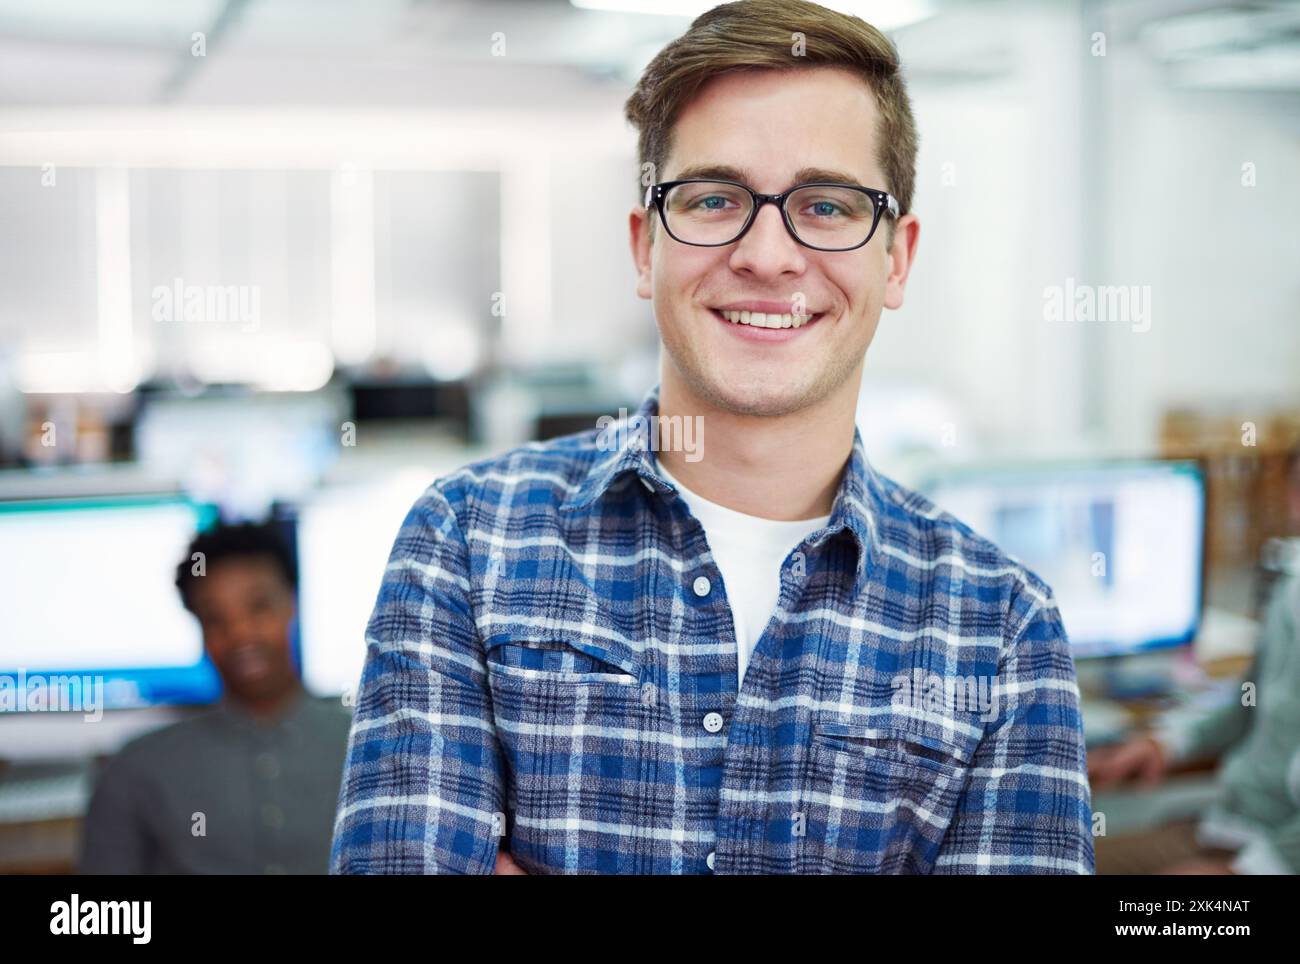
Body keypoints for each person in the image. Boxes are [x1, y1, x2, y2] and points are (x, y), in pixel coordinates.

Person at [331, 0, 1093, 875]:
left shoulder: (1002, 628)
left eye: (829, 205)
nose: (767, 254)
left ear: (898, 259)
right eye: (714, 198)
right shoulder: (468, 541)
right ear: (645, 247)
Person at [79, 520, 352, 874]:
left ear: (292, 603)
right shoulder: (136, 771)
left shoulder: (369, 750)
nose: (239, 633)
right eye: (215, 618)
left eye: (258, 607)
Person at [1089, 459, 1300, 875]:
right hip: (1232, 829)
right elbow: (1245, 706)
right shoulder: (1290, 588)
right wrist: (1165, 744)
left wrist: (1247, 872)